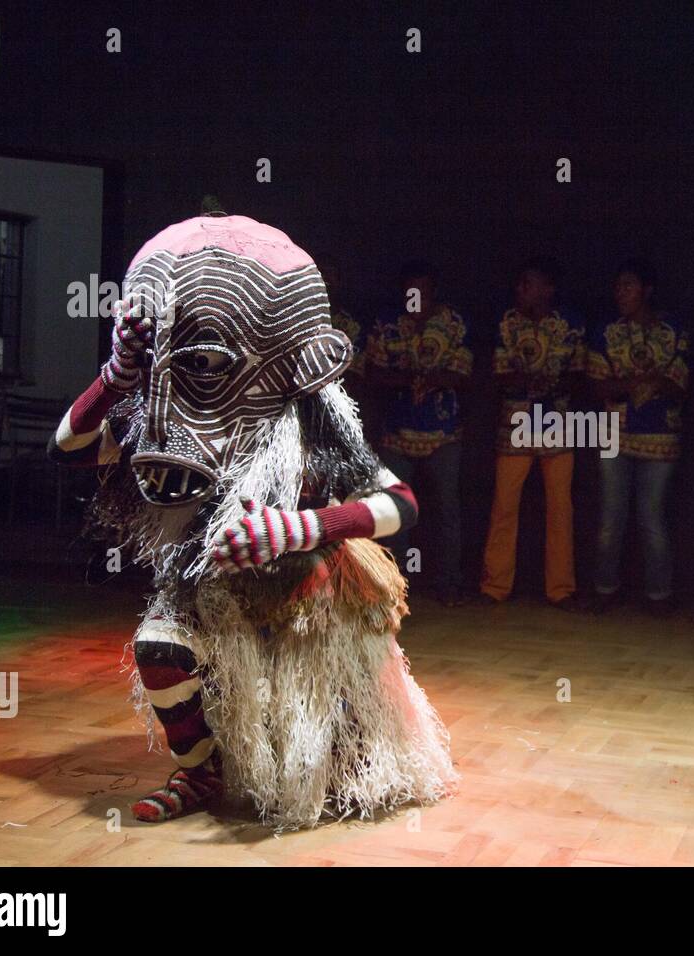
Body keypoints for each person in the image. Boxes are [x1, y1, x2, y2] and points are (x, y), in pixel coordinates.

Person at [47, 215, 456, 827]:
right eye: (164, 356)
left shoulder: (311, 425)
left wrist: (300, 529)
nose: (176, 377)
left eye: (205, 360)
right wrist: (117, 378)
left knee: (326, 751)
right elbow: (67, 445)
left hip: (303, 593)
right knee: (160, 648)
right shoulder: (167, 409)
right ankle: (201, 768)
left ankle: (329, 746)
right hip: (209, 582)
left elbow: (400, 504)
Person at [478, 258, 588, 610]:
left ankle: (561, 589)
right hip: (516, 421)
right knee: (504, 506)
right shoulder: (507, 322)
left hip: (556, 420)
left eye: (530, 283)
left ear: (548, 288)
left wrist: (552, 382)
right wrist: (525, 380)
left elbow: (580, 372)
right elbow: (497, 373)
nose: (521, 289)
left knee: (560, 508)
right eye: (520, 283)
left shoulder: (570, 323)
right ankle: (495, 586)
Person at [365, 260, 473, 606]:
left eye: (422, 292)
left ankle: (449, 584)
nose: (416, 298)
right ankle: (397, 587)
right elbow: (373, 372)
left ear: (433, 292)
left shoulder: (453, 323)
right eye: (410, 293)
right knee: (395, 514)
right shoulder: (388, 323)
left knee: (446, 511)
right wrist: (410, 379)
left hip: (443, 434)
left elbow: (463, 373)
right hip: (397, 433)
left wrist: (431, 380)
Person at [586, 258, 689, 615]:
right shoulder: (606, 331)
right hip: (614, 433)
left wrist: (658, 383)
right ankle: (604, 589)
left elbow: (682, 385)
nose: (620, 292)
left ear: (647, 290)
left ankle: (659, 594)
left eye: (628, 285)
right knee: (610, 518)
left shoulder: (672, 330)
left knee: (651, 516)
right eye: (617, 286)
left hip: (661, 436)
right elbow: (597, 384)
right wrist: (637, 383)